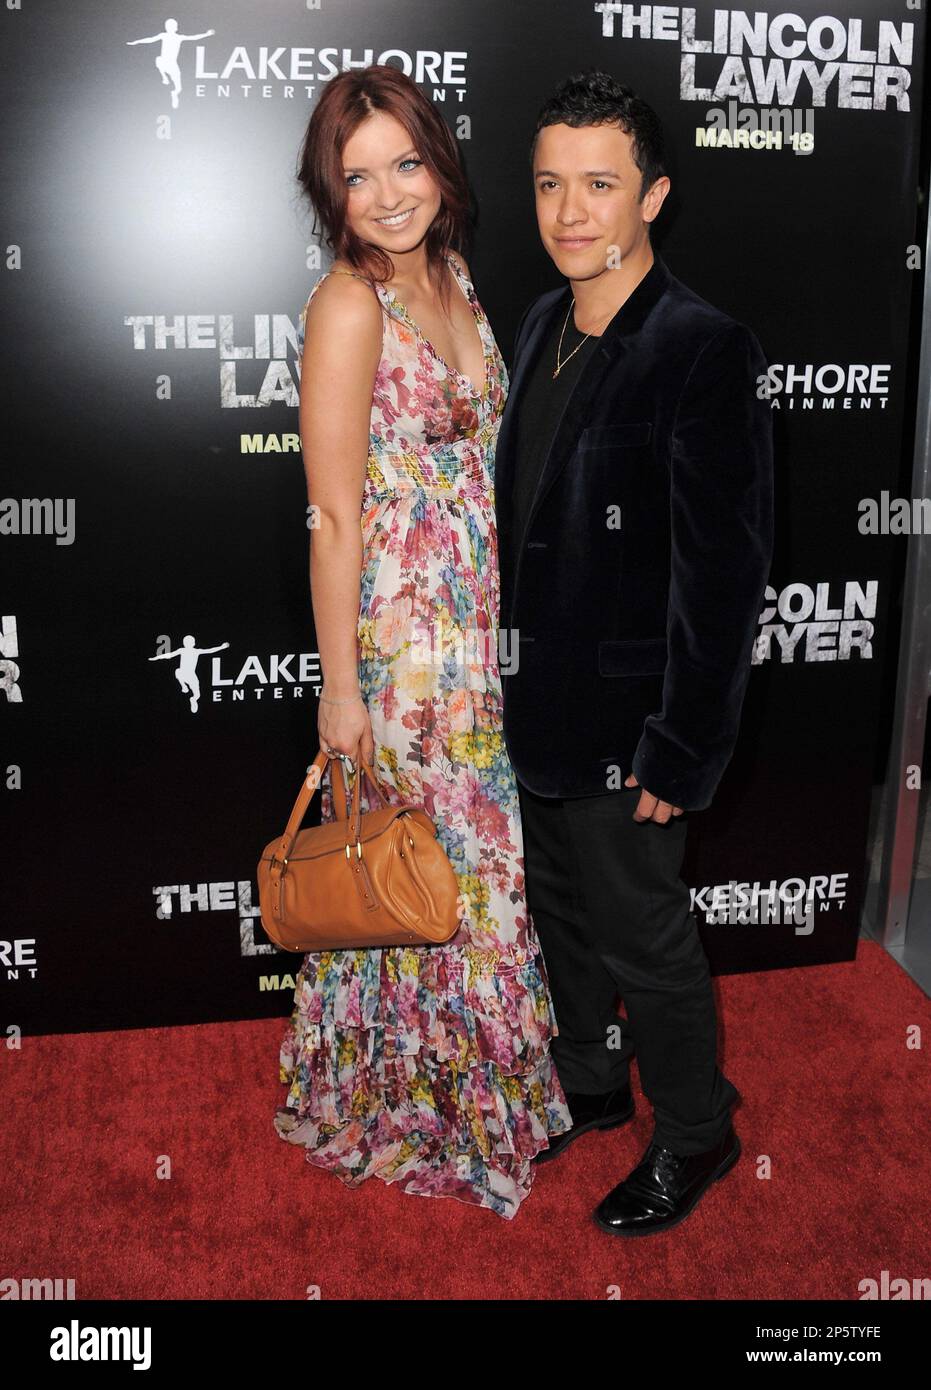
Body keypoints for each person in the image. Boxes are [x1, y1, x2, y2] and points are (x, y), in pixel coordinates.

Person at [273, 64, 572, 1219]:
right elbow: (335, 517)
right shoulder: (348, 304)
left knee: (479, 871)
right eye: (358, 177)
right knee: (426, 876)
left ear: (439, 163)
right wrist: (339, 694)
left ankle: (472, 1089)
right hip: (405, 649)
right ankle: (412, 1103)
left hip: (480, 631)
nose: (388, 194)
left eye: (405, 162)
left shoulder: (449, 274)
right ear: (330, 194)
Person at [494, 70, 774, 1236]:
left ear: (651, 195)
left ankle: (698, 1133)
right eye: (552, 184)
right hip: (534, 712)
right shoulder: (541, 320)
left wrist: (682, 744)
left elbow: (723, 575)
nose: (570, 211)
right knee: (560, 921)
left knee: (646, 943)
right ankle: (593, 1086)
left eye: (599, 185)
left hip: (632, 732)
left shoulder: (701, 347)